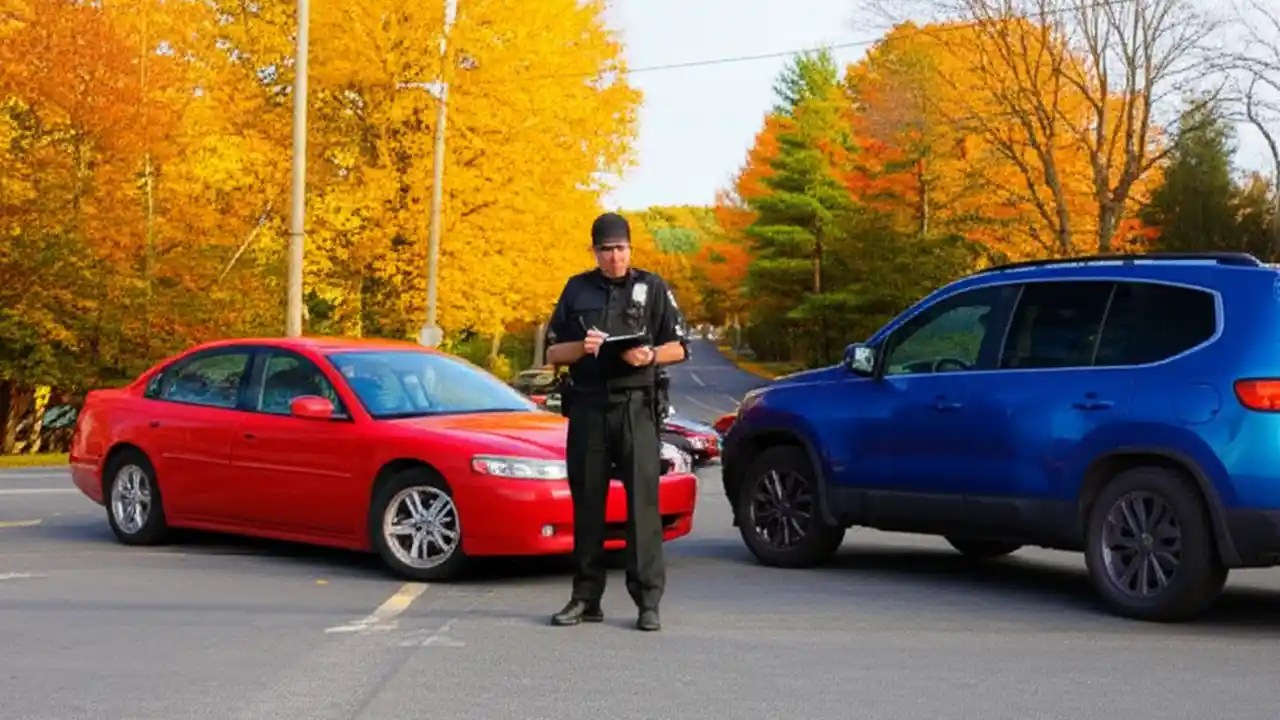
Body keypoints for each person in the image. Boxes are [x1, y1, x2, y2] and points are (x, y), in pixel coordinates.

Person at [543, 211, 689, 632]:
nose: (614, 257)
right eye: (606, 250)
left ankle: (647, 602)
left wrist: (649, 355)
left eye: (620, 249)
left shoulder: (652, 288)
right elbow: (554, 352)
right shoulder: (576, 288)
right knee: (587, 505)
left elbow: (679, 346)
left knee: (642, 507)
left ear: (630, 248)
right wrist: (583, 347)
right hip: (588, 406)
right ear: (594, 251)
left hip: (636, 406)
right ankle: (585, 598)